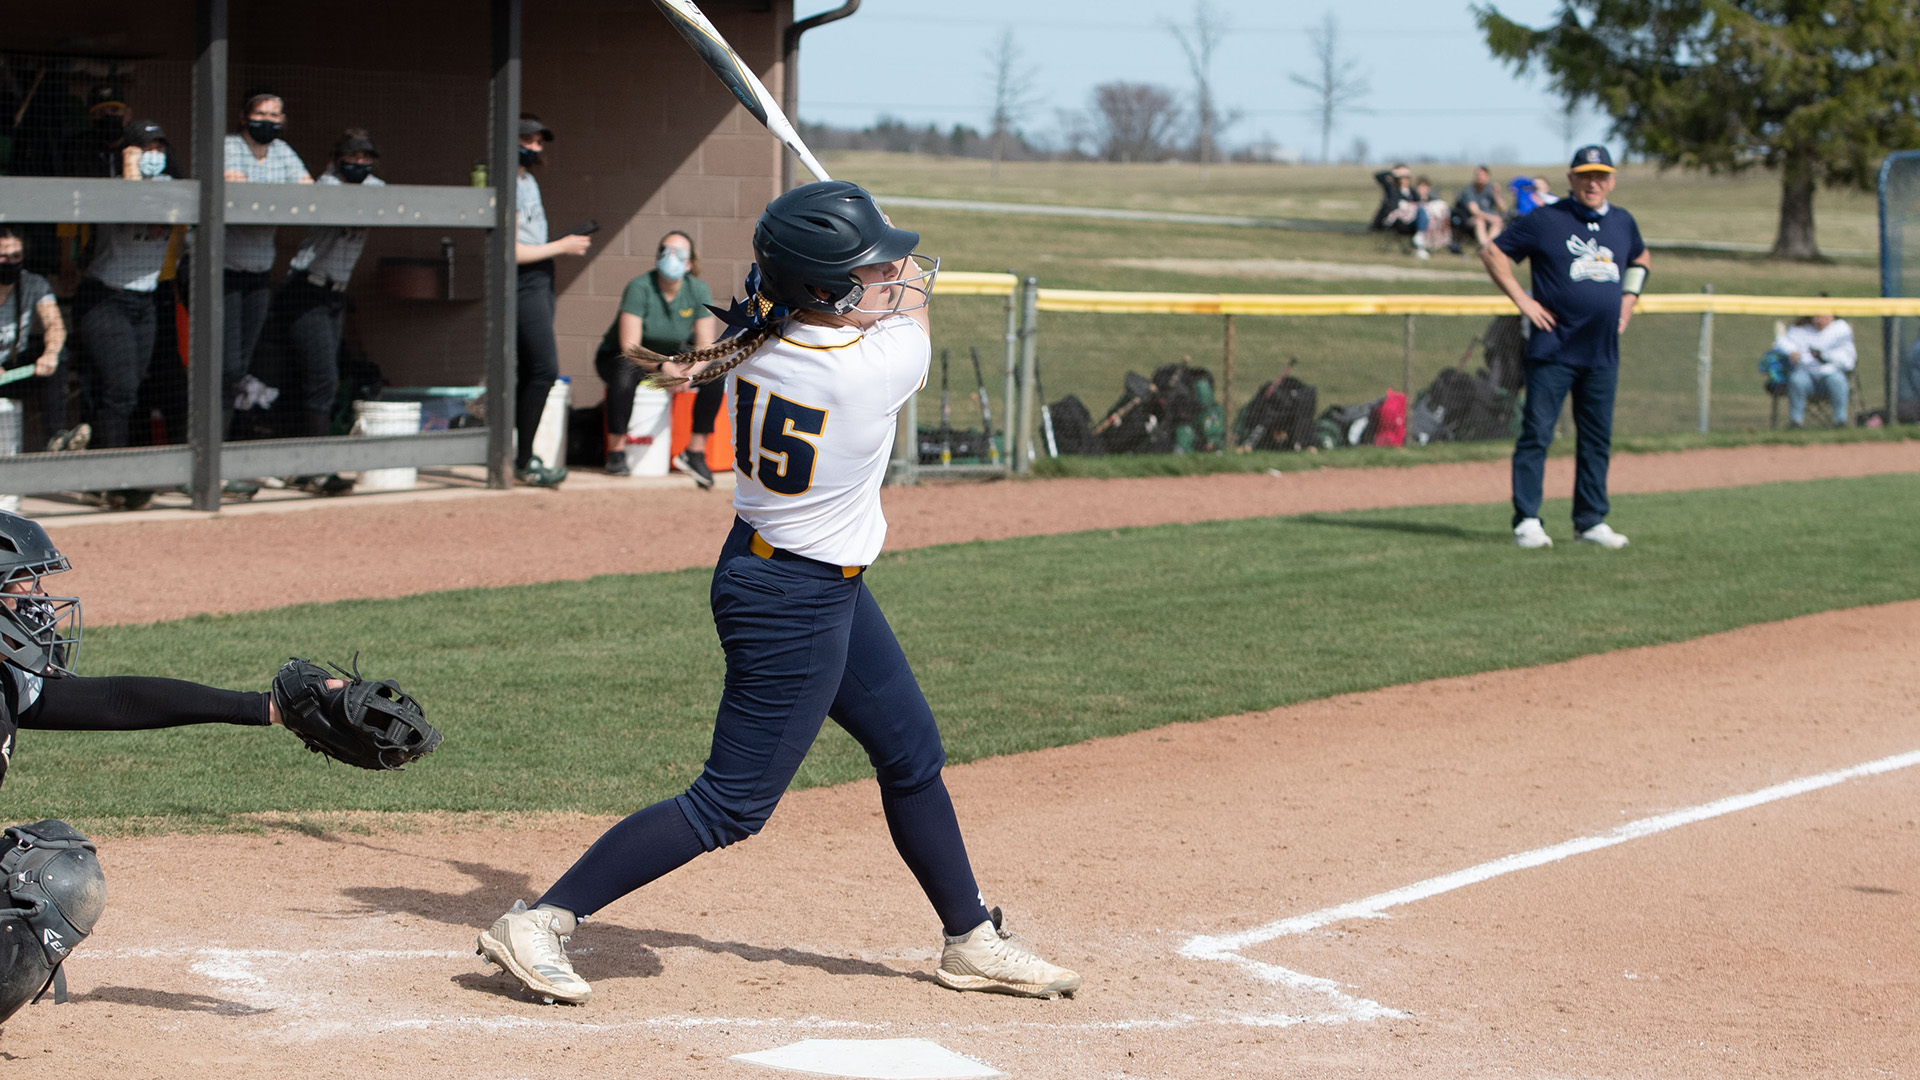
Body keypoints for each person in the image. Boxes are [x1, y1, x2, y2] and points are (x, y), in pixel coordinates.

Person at [476, 180, 1081, 1006]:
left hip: (804, 581)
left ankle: (970, 938)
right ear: (826, 291)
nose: (893, 278)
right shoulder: (872, 367)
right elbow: (916, 300)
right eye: (869, 271)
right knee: (730, 805)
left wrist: (847, 250)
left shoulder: (764, 339)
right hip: (790, 602)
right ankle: (543, 918)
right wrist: (879, 257)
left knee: (910, 752)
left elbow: (813, 304)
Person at [0, 509, 341, 1024]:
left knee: (53, 866)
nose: (42, 602)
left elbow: (117, 700)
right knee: (52, 882)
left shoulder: (5, 681)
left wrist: (268, 708)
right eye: (24, 585)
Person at [1480, 144, 1650, 551]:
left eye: (1601, 176)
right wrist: (1524, 301)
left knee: (1596, 438)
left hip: (1601, 351)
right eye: (1585, 175)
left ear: (1611, 181)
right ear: (1571, 179)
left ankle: (1590, 519)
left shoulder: (1623, 222)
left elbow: (1641, 258)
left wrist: (1628, 301)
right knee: (1537, 434)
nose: (1593, 183)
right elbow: (1493, 252)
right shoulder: (1546, 219)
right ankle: (1528, 519)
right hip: (1554, 347)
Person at [71, 119, 183, 508]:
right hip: (105, 298)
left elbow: (162, 207)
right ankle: (112, 479)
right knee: (119, 390)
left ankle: (108, 472)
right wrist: (130, 169)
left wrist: (145, 171)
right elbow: (128, 207)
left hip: (145, 301)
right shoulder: (113, 184)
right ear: (127, 152)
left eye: (159, 148)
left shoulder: (172, 187)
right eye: (143, 148)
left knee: (129, 391)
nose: (153, 155)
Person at [267, 128, 386, 494]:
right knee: (321, 378)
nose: (360, 164)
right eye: (352, 157)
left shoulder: (373, 186)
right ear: (337, 159)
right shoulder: (326, 188)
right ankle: (315, 468)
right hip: (306, 289)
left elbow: (383, 196)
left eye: (365, 157)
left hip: (335, 295)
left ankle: (302, 465)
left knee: (318, 379)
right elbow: (337, 203)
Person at [221, 93, 312, 476]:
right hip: (220, 270)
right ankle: (210, 454)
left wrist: (270, 193)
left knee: (242, 366)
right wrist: (275, 194)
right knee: (222, 366)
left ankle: (232, 455)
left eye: (275, 114)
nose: (268, 121)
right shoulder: (229, 146)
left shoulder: (282, 151)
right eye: (261, 113)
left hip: (258, 271)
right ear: (244, 116)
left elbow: (307, 188)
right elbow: (237, 191)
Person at [592, 231, 719, 483]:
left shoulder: (698, 289)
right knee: (624, 373)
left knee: (717, 371)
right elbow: (630, 347)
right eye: (665, 251)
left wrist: (688, 371)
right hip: (629, 357)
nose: (671, 258)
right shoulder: (639, 287)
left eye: (679, 253)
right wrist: (664, 366)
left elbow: (706, 345)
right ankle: (616, 453)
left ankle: (694, 452)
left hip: (672, 358)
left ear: (689, 263)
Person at [512, 113, 589, 488]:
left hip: (540, 277)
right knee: (543, 369)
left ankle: (521, 458)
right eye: (527, 141)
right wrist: (563, 246)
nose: (535, 148)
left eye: (539, 142)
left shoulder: (529, 181)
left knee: (530, 371)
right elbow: (510, 251)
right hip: (520, 280)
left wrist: (557, 246)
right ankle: (523, 459)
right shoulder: (506, 181)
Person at [0, 229, 77, 455]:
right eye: (3, 256)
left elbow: (54, 324)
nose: (10, 262)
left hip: (12, 372)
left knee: (59, 357)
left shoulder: (33, 283)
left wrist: (50, 353)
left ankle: (56, 438)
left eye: (16, 256)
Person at [1772, 312, 1856, 427]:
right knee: (1797, 380)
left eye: (1824, 316)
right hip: (1805, 374)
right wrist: (1791, 351)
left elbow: (1849, 361)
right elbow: (1780, 343)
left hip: (1830, 373)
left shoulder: (1841, 329)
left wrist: (1824, 356)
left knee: (1838, 380)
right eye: (1817, 315)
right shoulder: (1799, 329)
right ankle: (1796, 422)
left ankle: (1840, 421)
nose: (1820, 320)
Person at [1452, 165, 1508, 250]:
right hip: (1470, 220)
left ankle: (1488, 247)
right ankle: (1485, 247)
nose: (1480, 177)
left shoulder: (1490, 189)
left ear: (1487, 177)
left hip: (1488, 220)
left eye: (1482, 175)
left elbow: (1504, 208)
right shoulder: (1469, 190)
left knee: (1498, 222)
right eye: (1478, 175)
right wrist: (1491, 218)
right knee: (1479, 221)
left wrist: (1496, 195)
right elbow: (1474, 211)